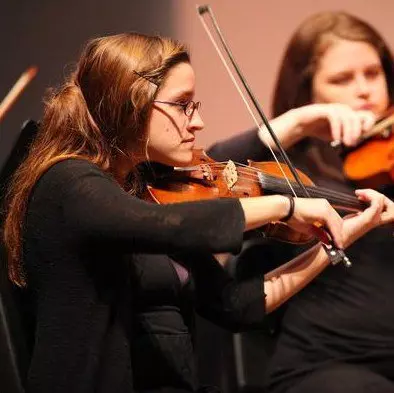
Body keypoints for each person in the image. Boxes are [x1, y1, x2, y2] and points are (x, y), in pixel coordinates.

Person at [3, 32, 388, 393]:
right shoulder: (68, 182)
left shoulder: (147, 191)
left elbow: (236, 304)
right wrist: (284, 205)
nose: (197, 122)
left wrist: (339, 236)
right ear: (131, 101)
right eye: (183, 105)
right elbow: (163, 228)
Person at [208, 11, 394, 393]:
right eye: (342, 79)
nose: (364, 90)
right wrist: (300, 122)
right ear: (308, 92)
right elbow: (215, 175)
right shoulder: (292, 170)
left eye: (373, 74)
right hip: (327, 368)